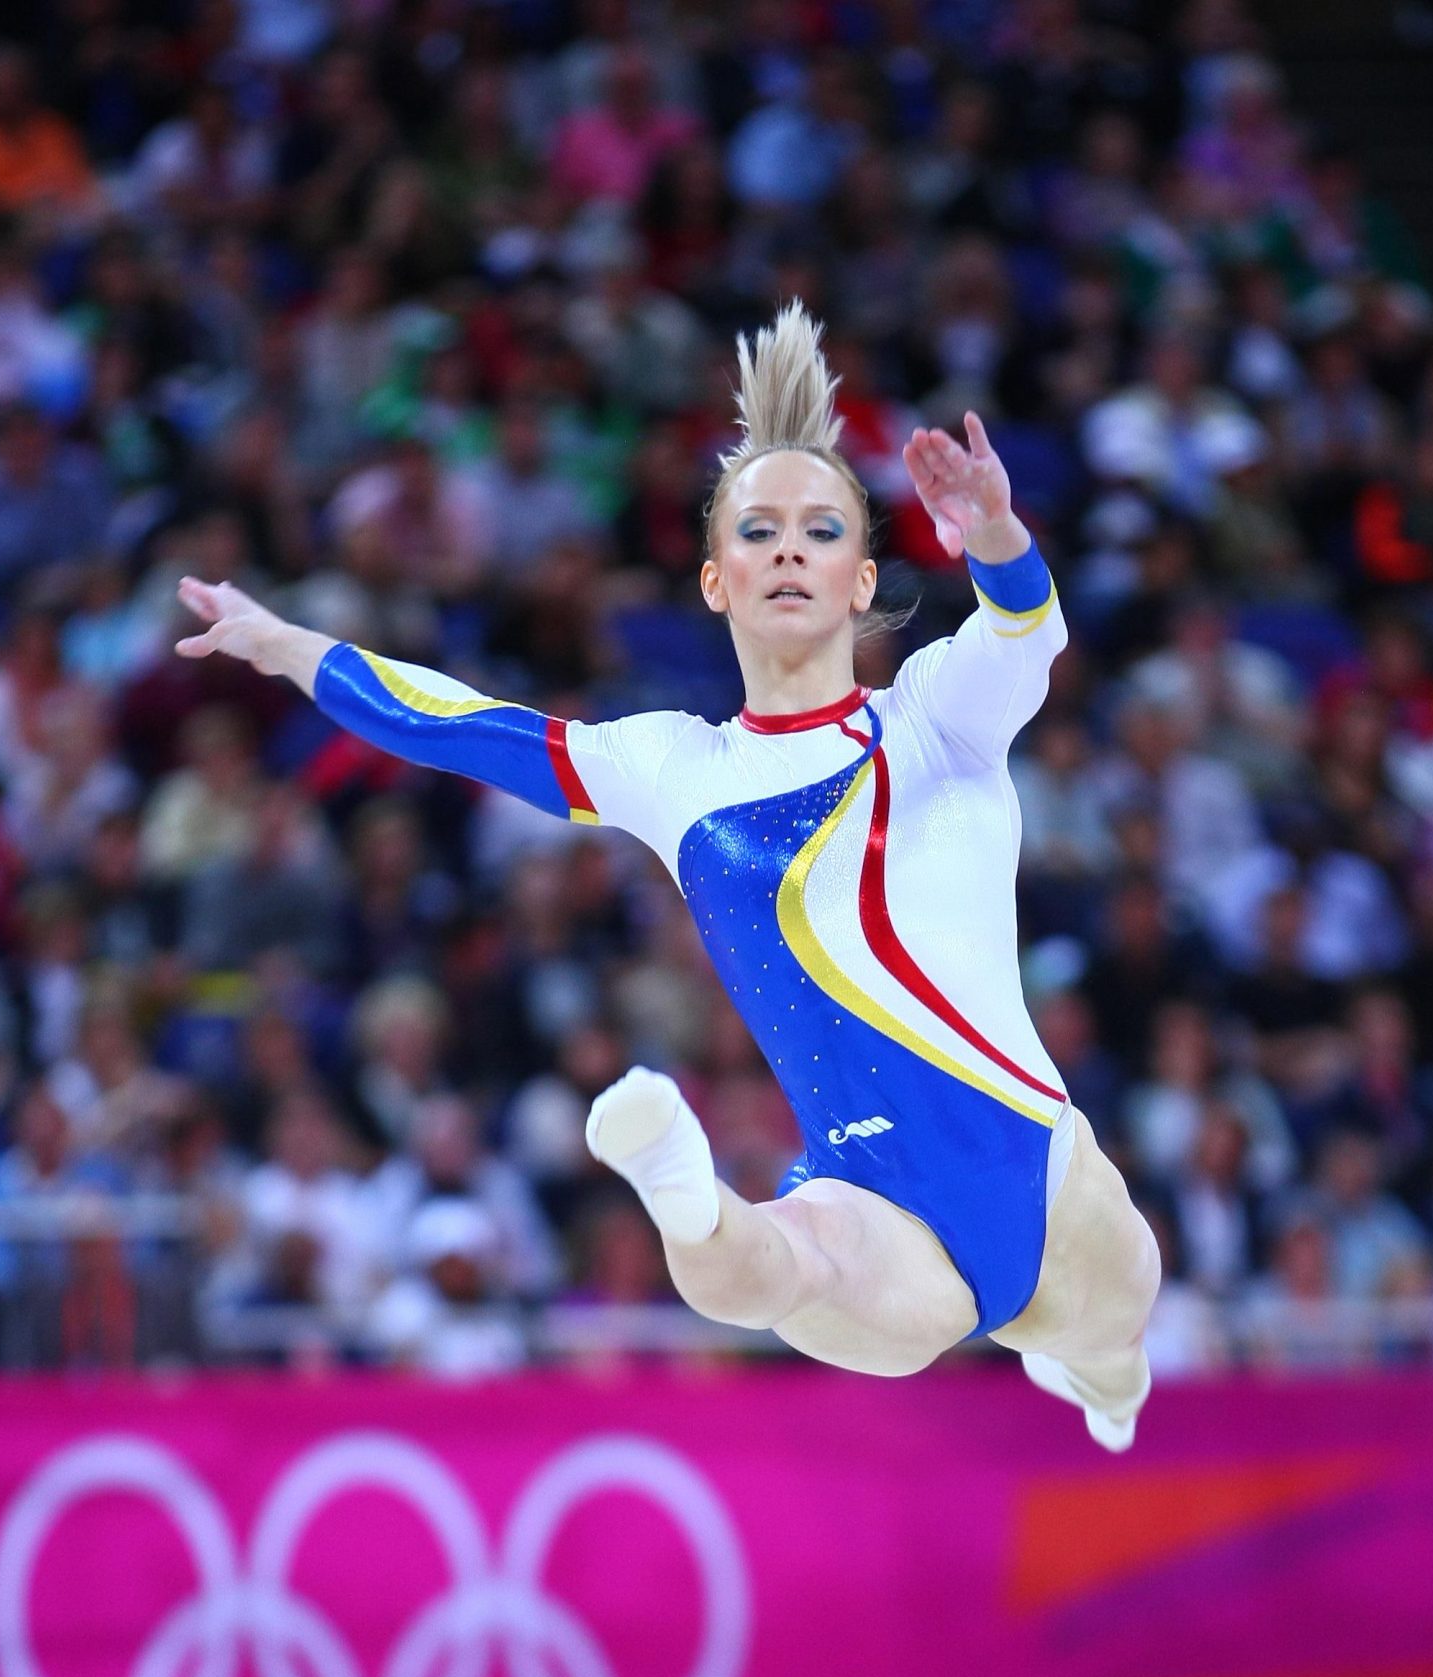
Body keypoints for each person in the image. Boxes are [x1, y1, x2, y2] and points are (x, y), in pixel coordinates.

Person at [175, 305, 1161, 1449]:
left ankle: (1101, 1387)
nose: (789, 547)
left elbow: (1024, 634)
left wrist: (993, 532)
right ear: (712, 580)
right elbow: (470, 726)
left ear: (860, 580)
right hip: (872, 1198)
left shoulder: (937, 719)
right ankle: (679, 1184)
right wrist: (292, 646)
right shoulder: (675, 766)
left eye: (822, 528)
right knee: (781, 1273)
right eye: (758, 530)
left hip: (1042, 1172)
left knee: (1113, 1341)